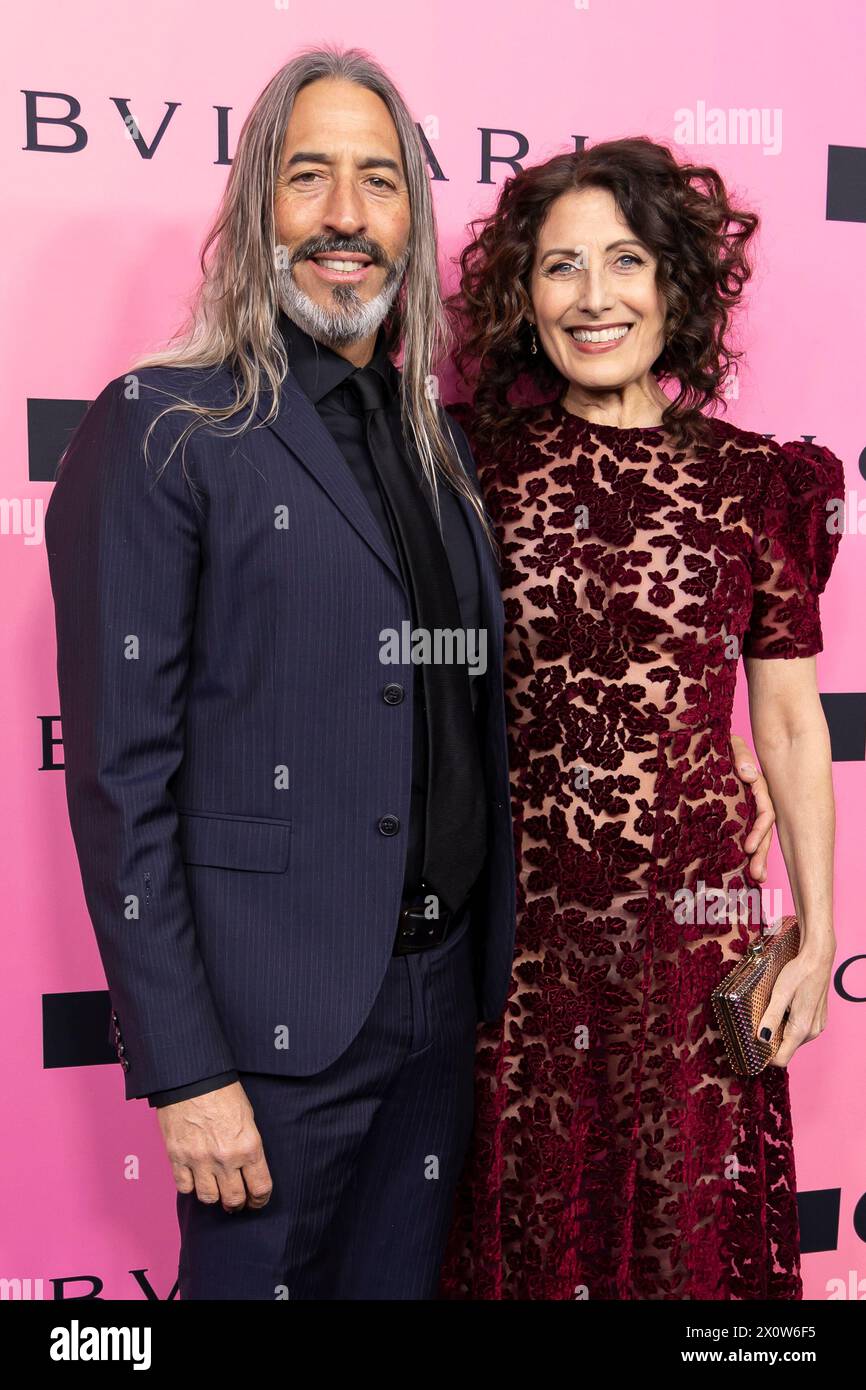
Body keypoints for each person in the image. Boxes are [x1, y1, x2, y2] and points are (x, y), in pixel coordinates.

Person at [44, 45, 519, 1301]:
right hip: (270, 1037)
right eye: (309, 177)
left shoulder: (437, 450)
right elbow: (117, 776)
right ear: (255, 205)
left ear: (414, 220)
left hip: (435, 1007)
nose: (345, 217)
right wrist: (188, 1067)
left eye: (379, 181)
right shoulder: (164, 423)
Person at [439, 138, 843, 1300]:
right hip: (521, 945)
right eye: (559, 266)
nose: (593, 296)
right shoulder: (467, 463)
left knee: (688, 1255)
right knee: (525, 1239)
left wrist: (814, 937)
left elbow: (787, 724)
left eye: (623, 260)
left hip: (690, 943)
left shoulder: (757, 482)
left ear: (673, 284)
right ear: (524, 294)